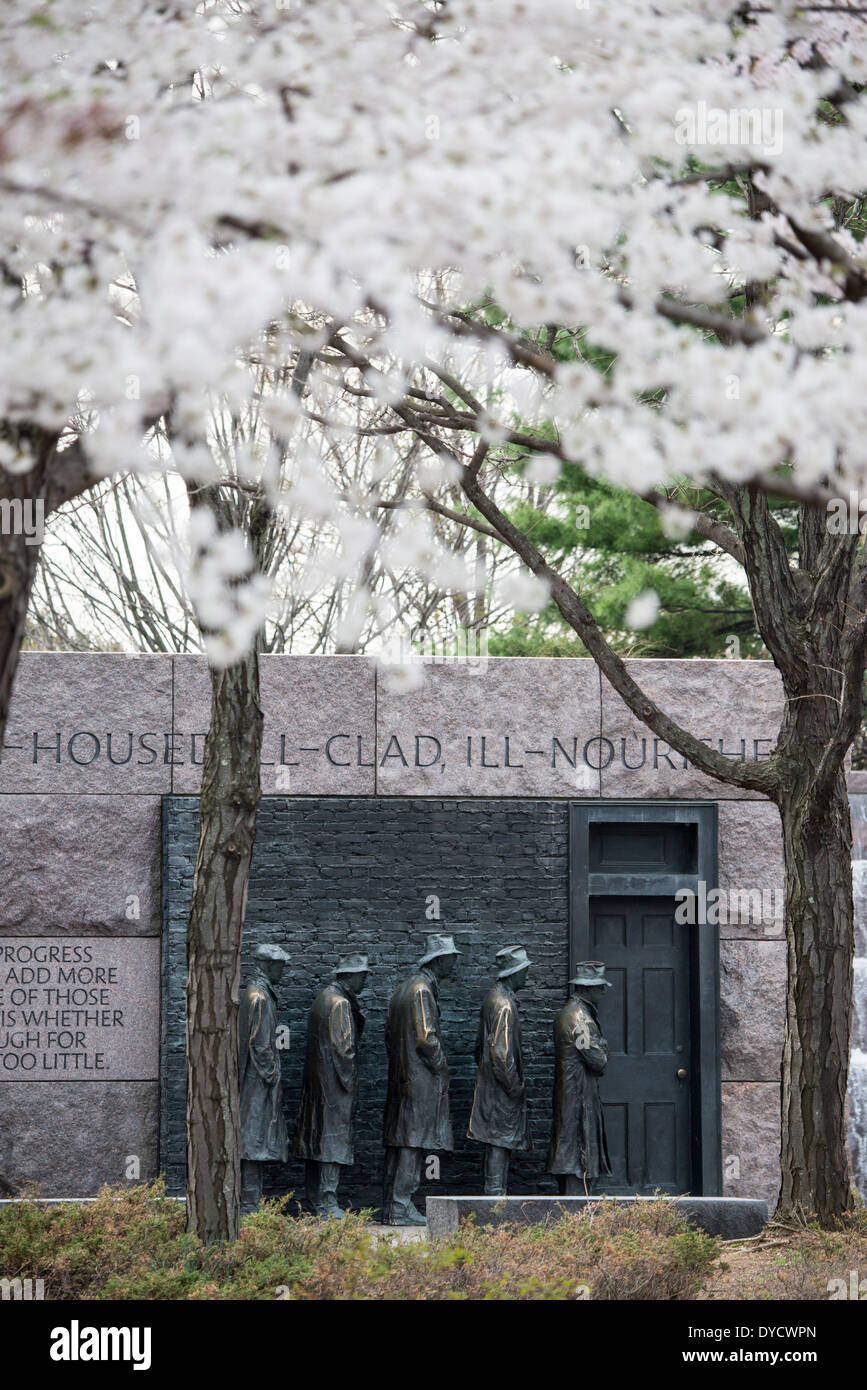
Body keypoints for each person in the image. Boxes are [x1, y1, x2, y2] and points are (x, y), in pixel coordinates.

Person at [382, 933, 460, 1225]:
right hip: (419, 1080)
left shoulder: (403, 989)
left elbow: (388, 1034)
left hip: (403, 1077)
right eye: (451, 958)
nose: (454, 964)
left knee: (402, 1143)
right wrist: (442, 1067)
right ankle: (401, 1207)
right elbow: (427, 1039)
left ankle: (392, 1206)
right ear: (439, 960)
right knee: (412, 1145)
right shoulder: (422, 990)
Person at [292, 952, 370, 1219]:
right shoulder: (339, 1004)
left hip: (319, 1084)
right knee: (332, 1143)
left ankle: (318, 1199)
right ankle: (327, 1201)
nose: (365, 981)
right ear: (349, 976)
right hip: (334, 1086)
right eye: (362, 976)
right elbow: (344, 1050)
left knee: (319, 1142)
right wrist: (351, 1085)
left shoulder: (322, 999)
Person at [467, 944, 531, 1195]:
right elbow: (502, 1055)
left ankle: (495, 1193)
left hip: (490, 1083)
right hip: (500, 1088)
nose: (527, 976)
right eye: (524, 971)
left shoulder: (492, 998)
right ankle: (495, 1196)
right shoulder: (504, 1005)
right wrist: (515, 1087)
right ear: (513, 974)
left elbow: (478, 1048)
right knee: (499, 1141)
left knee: (497, 1140)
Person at [547, 960, 612, 1195]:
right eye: (599, 987)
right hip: (579, 1094)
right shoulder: (580, 1019)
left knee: (570, 1143)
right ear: (586, 989)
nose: (603, 991)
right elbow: (599, 1061)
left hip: (570, 1090)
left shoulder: (567, 1012)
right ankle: (579, 1209)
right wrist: (604, 1046)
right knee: (579, 1147)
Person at [239, 943, 291, 1213]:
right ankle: (249, 1204)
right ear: (267, 965)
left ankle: (252, 1201)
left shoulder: (259, 993)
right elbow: (260, 1045)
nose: (283, 972)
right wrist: (272, 1076)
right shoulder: (259, 997)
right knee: (253, 1141)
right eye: (280, 967)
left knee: (255, 1140)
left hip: (255, 1079)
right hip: (257, 1080)